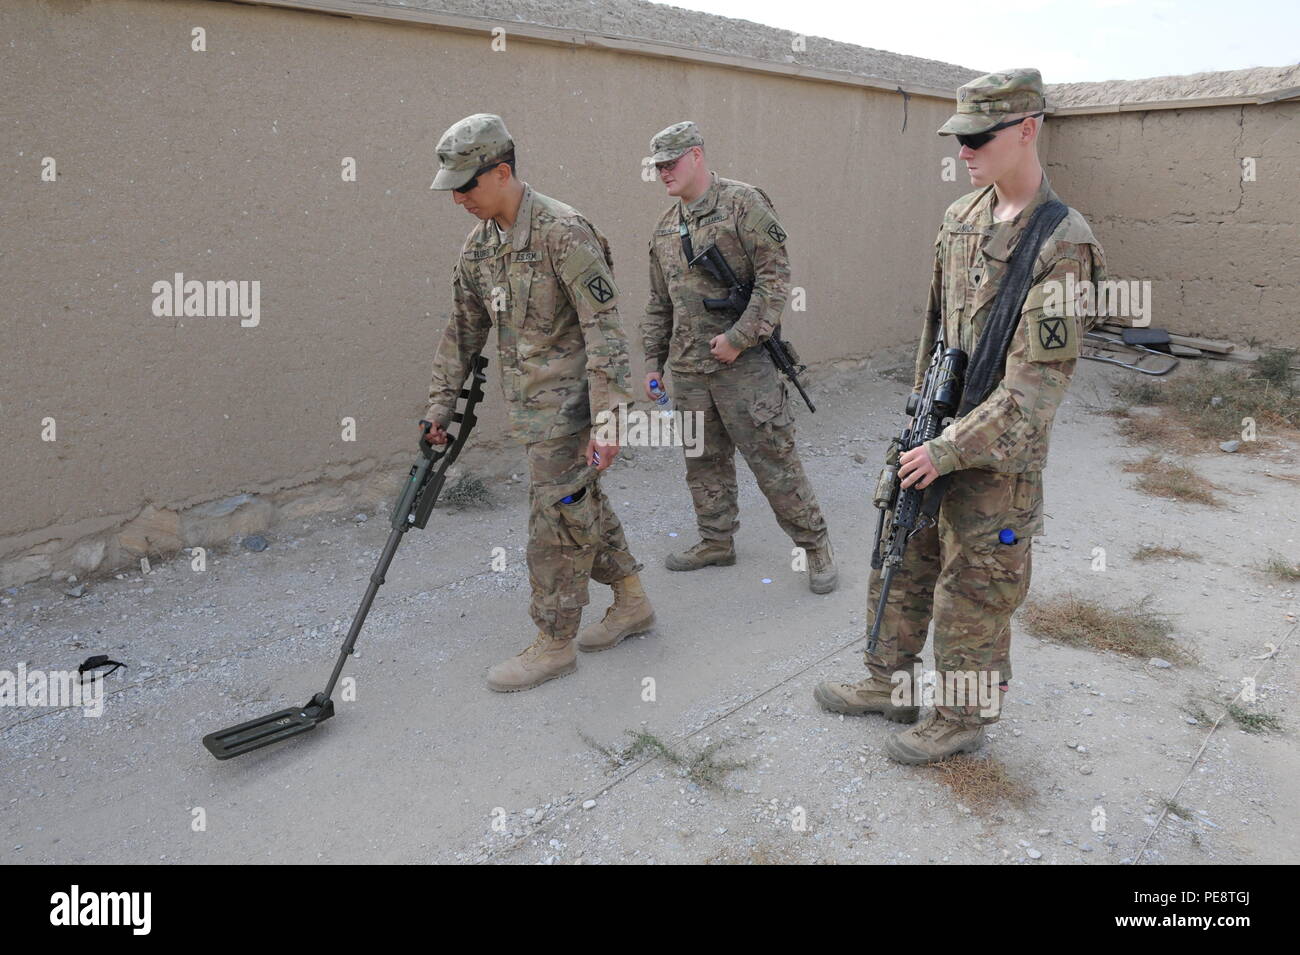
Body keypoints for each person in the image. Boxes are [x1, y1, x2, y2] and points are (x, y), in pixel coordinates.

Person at [814, 70, 1107, 763]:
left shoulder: (1064, 245)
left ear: (1029, 128)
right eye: (959, 137)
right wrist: (919, 433)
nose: (965, 148)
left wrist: (949, 451)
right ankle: (889, 682)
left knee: (974, 586)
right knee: (905, 553)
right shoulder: (960, 218)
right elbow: (935, 336)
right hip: (934, 430)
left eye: (980, 136)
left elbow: (1036, 391)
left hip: (996, 462)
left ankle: (961, 717)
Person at [424, 113, 654, 692]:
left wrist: (607, 421)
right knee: (579, 507)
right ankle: (631, 601)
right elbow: (462, 331)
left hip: (573, 411)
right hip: (530, 409)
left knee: (552, 521)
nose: (458, 200)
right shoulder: (479, 248)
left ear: (501, 172)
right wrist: (438, 408)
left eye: (466, 186)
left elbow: (605, 330)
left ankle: (554, 643)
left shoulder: (563, 232)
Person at [640, 121, 836, 593]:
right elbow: (658, 301)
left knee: (773, 460)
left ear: (697, 156)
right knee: (702, 462)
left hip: (743, 367)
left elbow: (774, 279)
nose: (664, 172)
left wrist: (739, 337)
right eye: (658, 165)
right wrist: (652, 362)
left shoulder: (744, 203)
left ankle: (816, 547)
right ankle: (715, 540)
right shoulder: (666, 228)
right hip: (689, 371)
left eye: (671, 162)